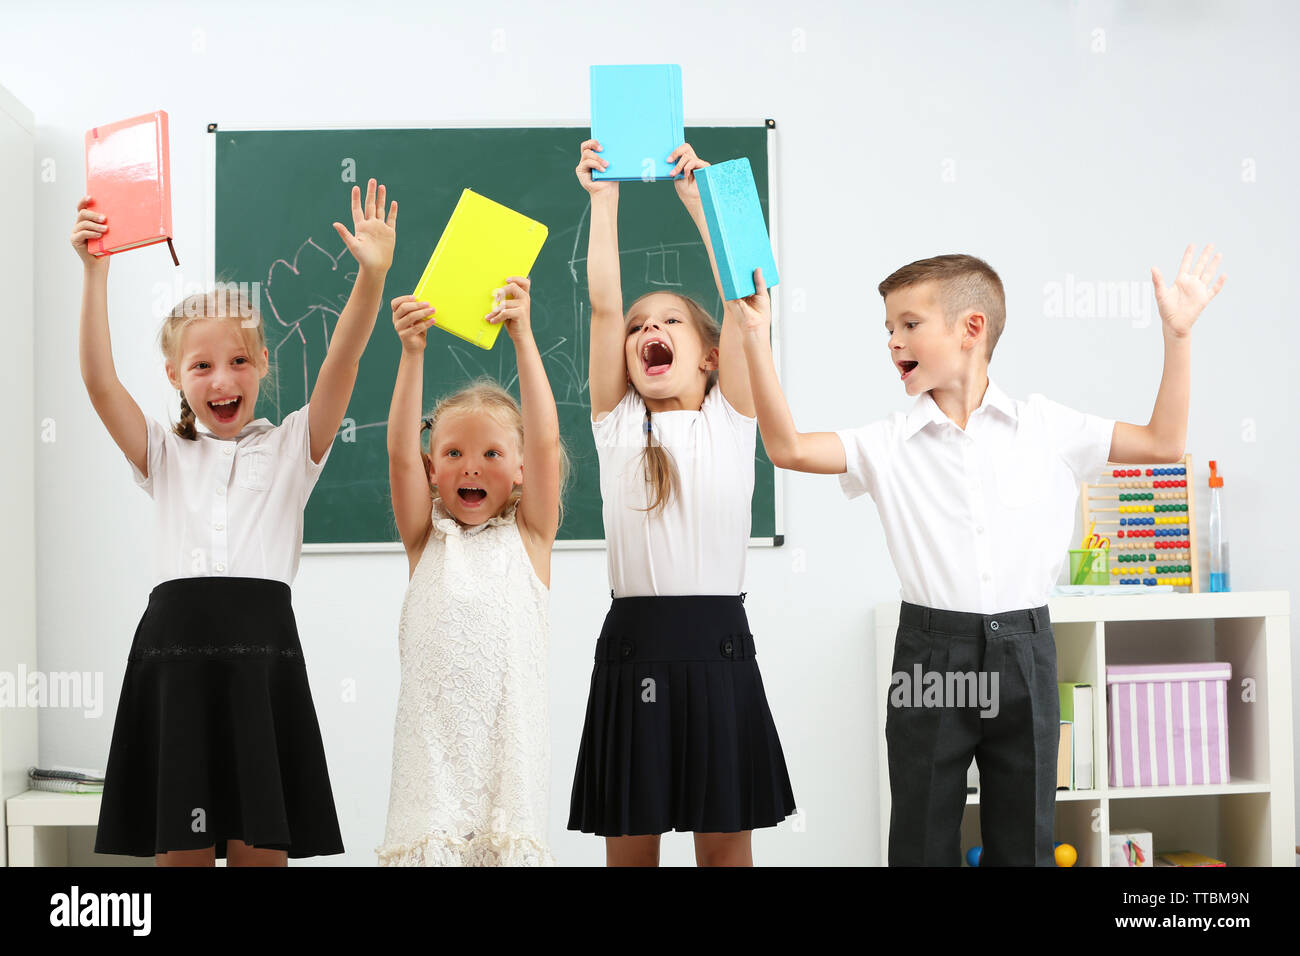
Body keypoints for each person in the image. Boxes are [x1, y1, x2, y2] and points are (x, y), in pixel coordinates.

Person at [730, 246, 1224, 865]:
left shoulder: (1048, 427)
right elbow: (789, 449)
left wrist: (1177, 336)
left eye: (909, 324)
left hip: (1025, 650)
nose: (892, 341)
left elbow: (1164, 443)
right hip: (932, 654)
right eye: (888, 328)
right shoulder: (888, 442)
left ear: (972, 329)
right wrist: (755, 335)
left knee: (1026, 839)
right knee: (922, 835)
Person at [78, 179, 398, 865]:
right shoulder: (162, 454)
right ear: (174, 376)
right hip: (176, 659)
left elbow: (343, 358)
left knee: (259, 846)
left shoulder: (291, 447)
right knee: (183, 849)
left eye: (239, 361)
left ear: (262, 367)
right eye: (202, 365)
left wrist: (371, 278)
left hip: (261, 657)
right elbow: (101, 383)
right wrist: (95, 273)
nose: (222, 378)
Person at [567, 139, 797, 867]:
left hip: (718, 649)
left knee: (724, 844)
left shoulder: (731, 417)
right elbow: (604, 307)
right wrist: (604, 201)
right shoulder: (615, 426)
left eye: (667, 322)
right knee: (630, 844)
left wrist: (702, 206)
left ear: (708, 355)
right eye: (639, 328)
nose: (645, 332)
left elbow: (744, 300)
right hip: (634, 646)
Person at [377, 274, 565, 866]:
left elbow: (547, 437)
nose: (470, 467)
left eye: (491, 454)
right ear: (434, 468)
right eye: (453, 453)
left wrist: (523, 337)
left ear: (520, 468)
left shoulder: (531, 536)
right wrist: (413, 355)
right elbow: (399, 450)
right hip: (431, 760)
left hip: (506, 759)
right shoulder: (425, 539)